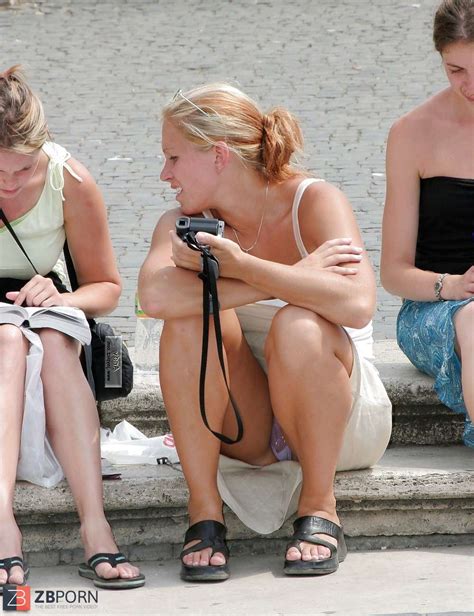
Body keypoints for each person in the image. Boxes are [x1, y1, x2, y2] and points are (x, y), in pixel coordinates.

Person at [138, 83, 392, 580]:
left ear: (217, 155)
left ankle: (320, 508)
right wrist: (282, 275)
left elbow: (359, 304)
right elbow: (155, 300)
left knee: (298, 324)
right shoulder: (184, 225)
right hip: (246, 425)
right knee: (188, 323)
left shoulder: (314, 202)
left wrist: (244, 268)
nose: (164, 174)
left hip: (339, 420)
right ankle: (205, 513)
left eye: (173, 157)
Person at [0, 65, 144, 590]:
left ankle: (96, 527)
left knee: (56, 338)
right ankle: (2, 528)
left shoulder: (71, 180)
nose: (11, 184)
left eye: (24, 170)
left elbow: (106, 286)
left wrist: (62, 296)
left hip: (40, 301)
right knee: (6, 340)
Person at [381, 0, 474, 449]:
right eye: (456, 69)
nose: (470, 85)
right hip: (433, 308)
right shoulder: (412, 133)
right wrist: (453, 286)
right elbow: (394, 273)